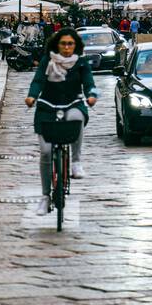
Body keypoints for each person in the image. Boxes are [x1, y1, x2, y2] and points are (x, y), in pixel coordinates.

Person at [25, 27, 97, 216]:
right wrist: (32, 96)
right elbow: (38, 80)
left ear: (76, 45)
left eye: (70, 44)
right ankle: (45, 197)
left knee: (76, 118)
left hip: (72, 103)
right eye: (63, 44)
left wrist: (91, 95)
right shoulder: (47, 61)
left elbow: (88, 81)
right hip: (47, 106)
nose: (67, 47)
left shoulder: (80, 63)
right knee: (46, 152)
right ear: (57, 45)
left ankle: (76, 162)